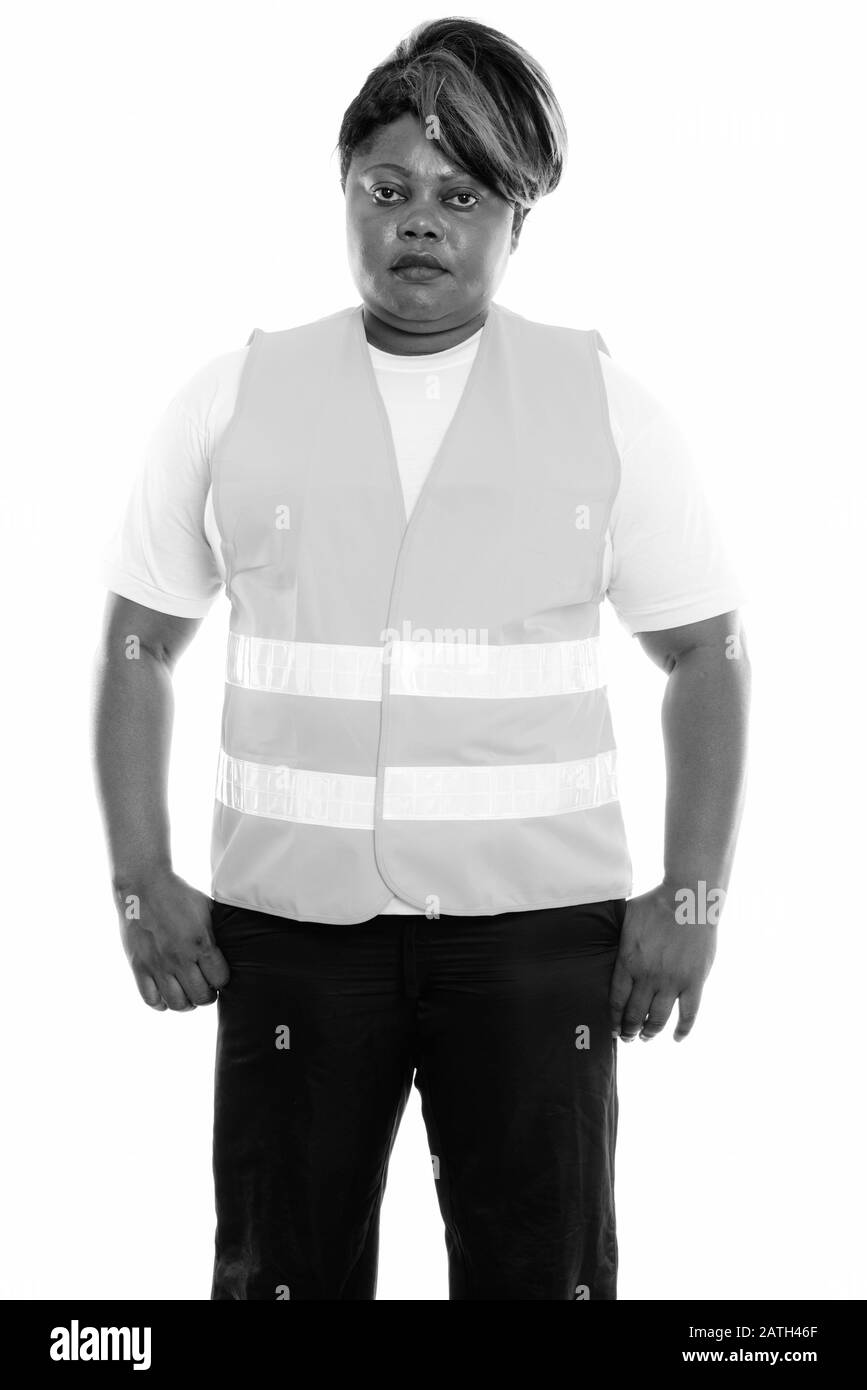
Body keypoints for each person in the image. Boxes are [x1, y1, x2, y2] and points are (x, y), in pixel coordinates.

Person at [92, 17, 750, 1301]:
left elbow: (710, 650)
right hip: (290, 935)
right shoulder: (232, 395)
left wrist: (693, 893)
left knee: (538, 1277)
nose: (420, 221)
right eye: (388, 190)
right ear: (345, 196)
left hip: (538, 939)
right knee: (280, 1276)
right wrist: (135, 876)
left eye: (461, 196)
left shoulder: (605, 403)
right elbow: (135, 639)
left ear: (516, 223)